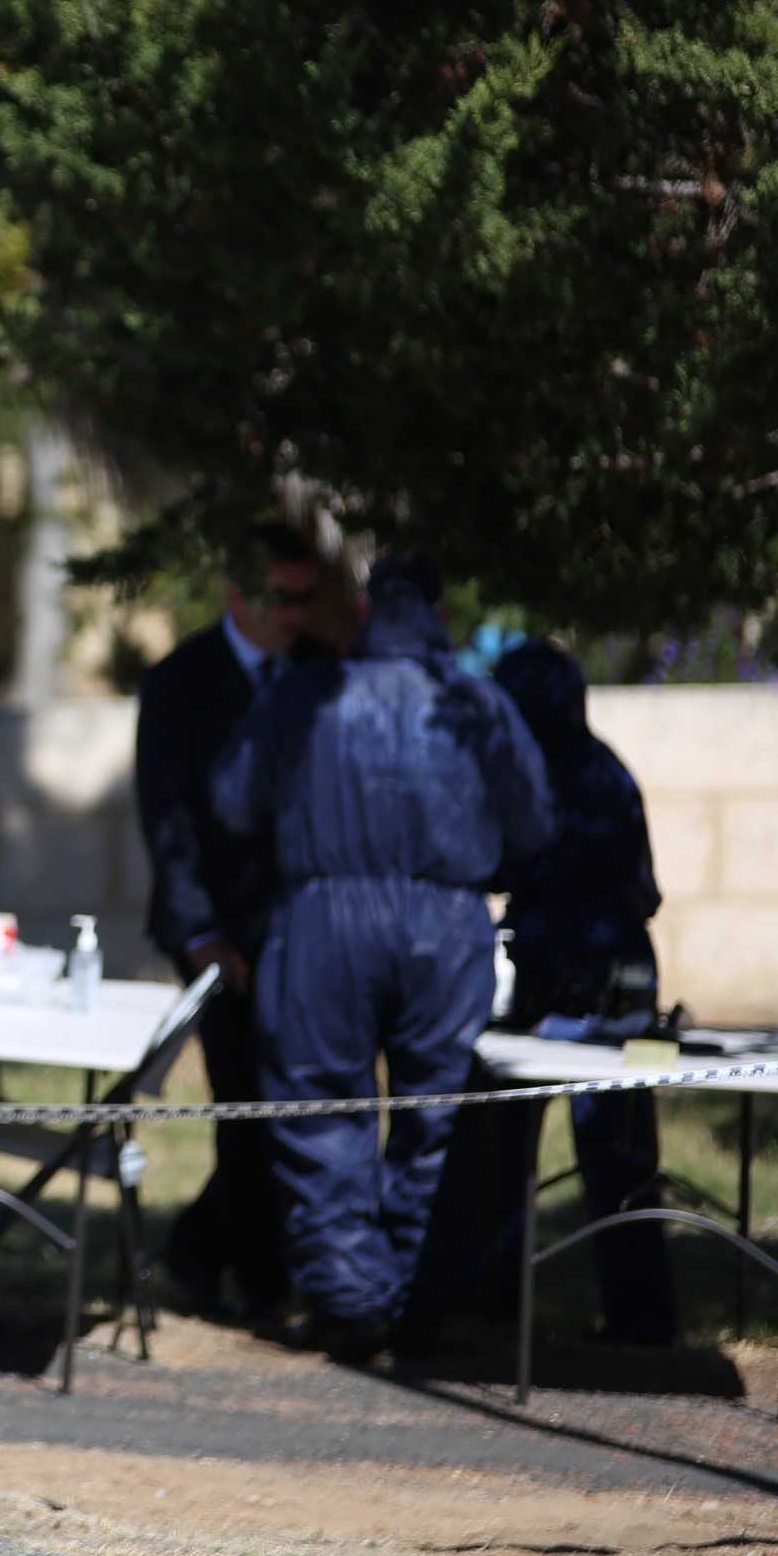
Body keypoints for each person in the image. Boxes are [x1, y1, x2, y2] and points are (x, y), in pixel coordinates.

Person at [212, 554, 553, 1362]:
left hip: (323, 921)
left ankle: (353, 1304)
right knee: (441, 1114)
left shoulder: (306, 694)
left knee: (320, 1111)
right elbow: (536, 823)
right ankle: (412, 1298)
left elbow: (232, 800)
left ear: (365, 608)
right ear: (440, 611)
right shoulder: (480, 702)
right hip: (447, 924)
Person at [133, 523, 315, 1320]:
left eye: (308, 598)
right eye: (284, 598)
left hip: (303, 928)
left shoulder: (316, 670)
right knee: (245, 1094)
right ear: (242, 597)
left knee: (285, 1098)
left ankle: (200, 1252)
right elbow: (166, 817)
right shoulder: (182, 681)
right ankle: (257, 1281)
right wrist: (203, 934)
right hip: (216, 928)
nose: (297, 614)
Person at [485, 638, 677, 1345]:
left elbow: (498, 867)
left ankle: (491, 1304)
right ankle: (643, 1318)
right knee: (624, 1156)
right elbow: (646, 892)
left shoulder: (532, 775)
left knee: (503, 1145)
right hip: (623, 977)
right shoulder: (610, 769)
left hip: (555, 979)